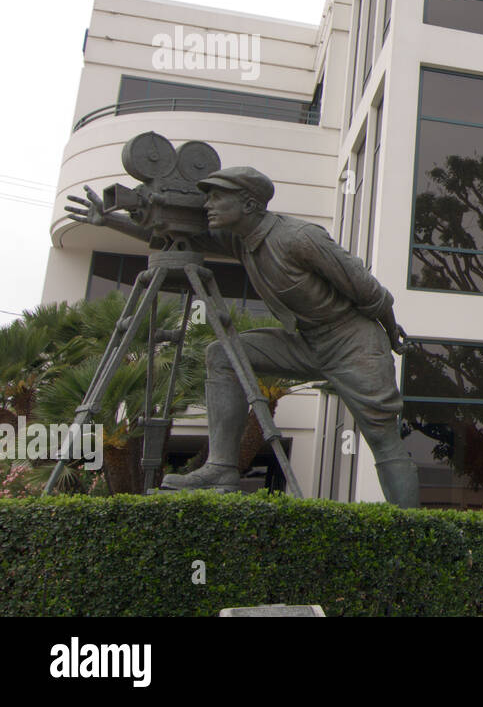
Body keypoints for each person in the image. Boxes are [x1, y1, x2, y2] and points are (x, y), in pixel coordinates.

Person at [65, 166, 420, 508]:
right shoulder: (241, 240)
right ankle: (221, 468)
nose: (208, 206)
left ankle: (413, 534)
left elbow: (371, 291)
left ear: (249, 204)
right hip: (306, 341)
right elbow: (175, 237)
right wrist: (111, 219)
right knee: (223, 354)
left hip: (354, 341)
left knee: (383, 439)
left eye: (217, 198)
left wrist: (390, 333)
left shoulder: (298, 237)